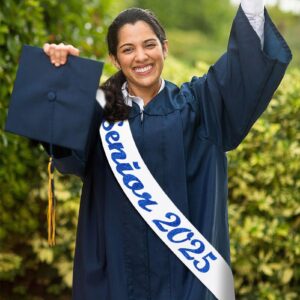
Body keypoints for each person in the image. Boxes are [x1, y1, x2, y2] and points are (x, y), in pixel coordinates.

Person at [6, 0, 292, 299]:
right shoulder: (98, 112)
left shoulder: (199, 107)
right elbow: (64, 156)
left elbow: (242, 72)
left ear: (164, 48)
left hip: (189, 283)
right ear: (115, 59)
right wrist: (62, 76)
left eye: (149, 44)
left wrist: (252, 8)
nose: (141, 56)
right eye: (128, 49)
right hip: (115, 280)